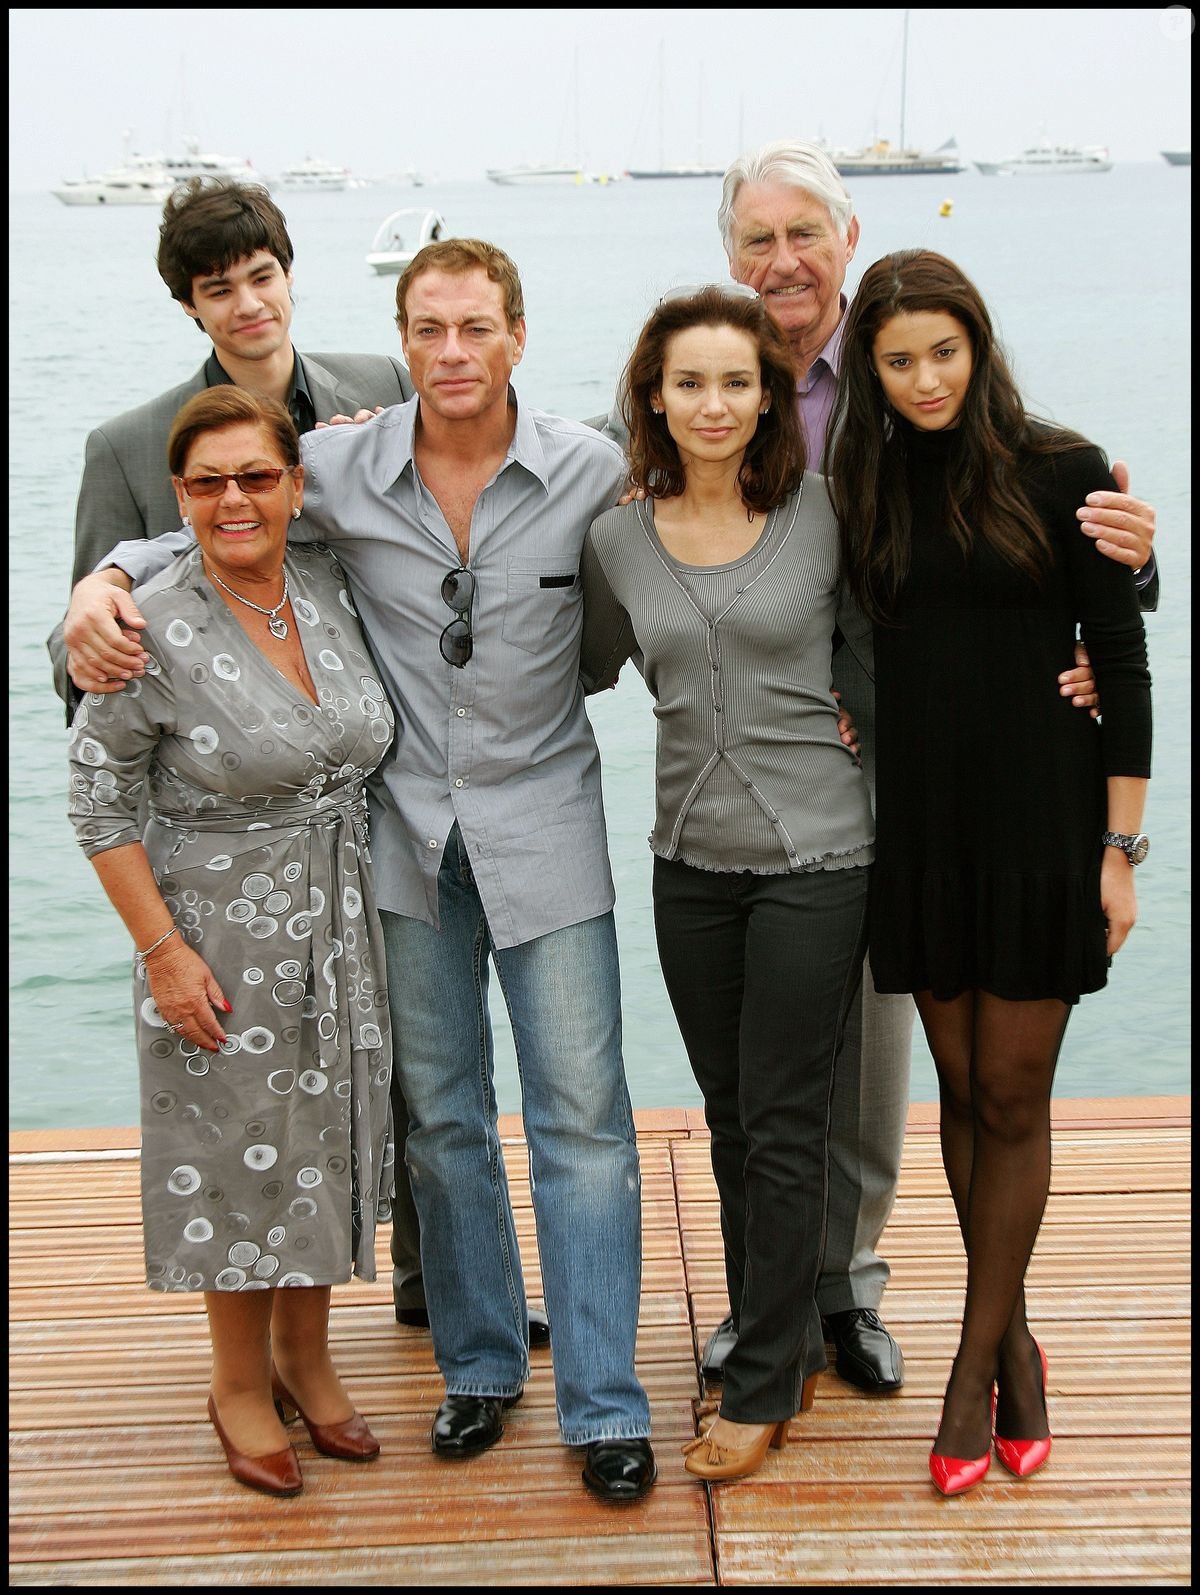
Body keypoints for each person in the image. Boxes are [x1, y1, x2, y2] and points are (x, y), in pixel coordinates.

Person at [60, 238, 656, 1504]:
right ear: (401, 335)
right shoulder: (332, 462)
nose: (452, 353)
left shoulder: (592, 469)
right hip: (398, 849)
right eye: (428, 329)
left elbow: (688, 568)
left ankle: (605, 1399)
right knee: (442, 1122)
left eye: (476, 328)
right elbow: (216, 525)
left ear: (517, 334)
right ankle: (481, 1368)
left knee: (585, 1127)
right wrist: (98, 585)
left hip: (548, 831)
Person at [660, 139, 1160, 1396]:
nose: (781, 260)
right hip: (785, 771)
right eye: (756, 239)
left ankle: (854, 1294)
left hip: (958, 782)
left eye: (802, 235)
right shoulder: (709, 374)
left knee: (898, 1072)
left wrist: (1130, 577)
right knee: (793, 1070)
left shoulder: (901, 396)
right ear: (729, 257)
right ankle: (781, 1297)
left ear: (848, 240)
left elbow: (1037, 533)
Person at [44, 171, 546, 1348]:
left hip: (396, 792)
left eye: (261, 276)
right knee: (266, 1098)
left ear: (289, 274)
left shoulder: (383, 389)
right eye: (218, 290)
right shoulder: (130, 445)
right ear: (191, 307)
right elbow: (100, 670)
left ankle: (448, 1280)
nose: (248, 304)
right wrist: (99, 583)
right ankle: (281, 1344)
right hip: (234, 834)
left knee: (424, 1071)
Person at [828, 249, 1151, 1494]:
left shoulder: (1064, 470)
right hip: (920, 826)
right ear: (872, 366)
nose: (924, 380)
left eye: (943, 352)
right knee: (961, 1093)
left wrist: (1120, 854)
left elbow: (1119, 666)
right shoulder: (854, 484)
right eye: (899, 359)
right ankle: (1016, 1342)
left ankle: (973, 1371)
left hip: (1040, 824)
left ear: (979, 344)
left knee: (1015, 1092)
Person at [66, 387, 393, 1496]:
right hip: (214, 931)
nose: (235, 499)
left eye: (256, 475)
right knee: (234, 1153)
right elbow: (97, 801)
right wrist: (163, 952)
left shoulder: (331, 586)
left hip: (342, 923)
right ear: (179, 500)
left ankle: (308, 1356)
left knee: (326, 1141)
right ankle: (237, 1379)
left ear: (295, 486)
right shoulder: (144, 626)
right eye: (208, 482)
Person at [581, 284, 874, 1481]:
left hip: (820, 857)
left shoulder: (826, 513)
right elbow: (579, 665)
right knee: (734, 1116)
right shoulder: (613, 536)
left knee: (787, 1116)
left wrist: (1107, 612)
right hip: (686, 864)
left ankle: (760, 1385)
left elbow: (902, 636)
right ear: (655, 394)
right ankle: (788, 1331)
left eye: (737, 382)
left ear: (770, 398)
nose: (714, 403)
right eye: (690, 381)